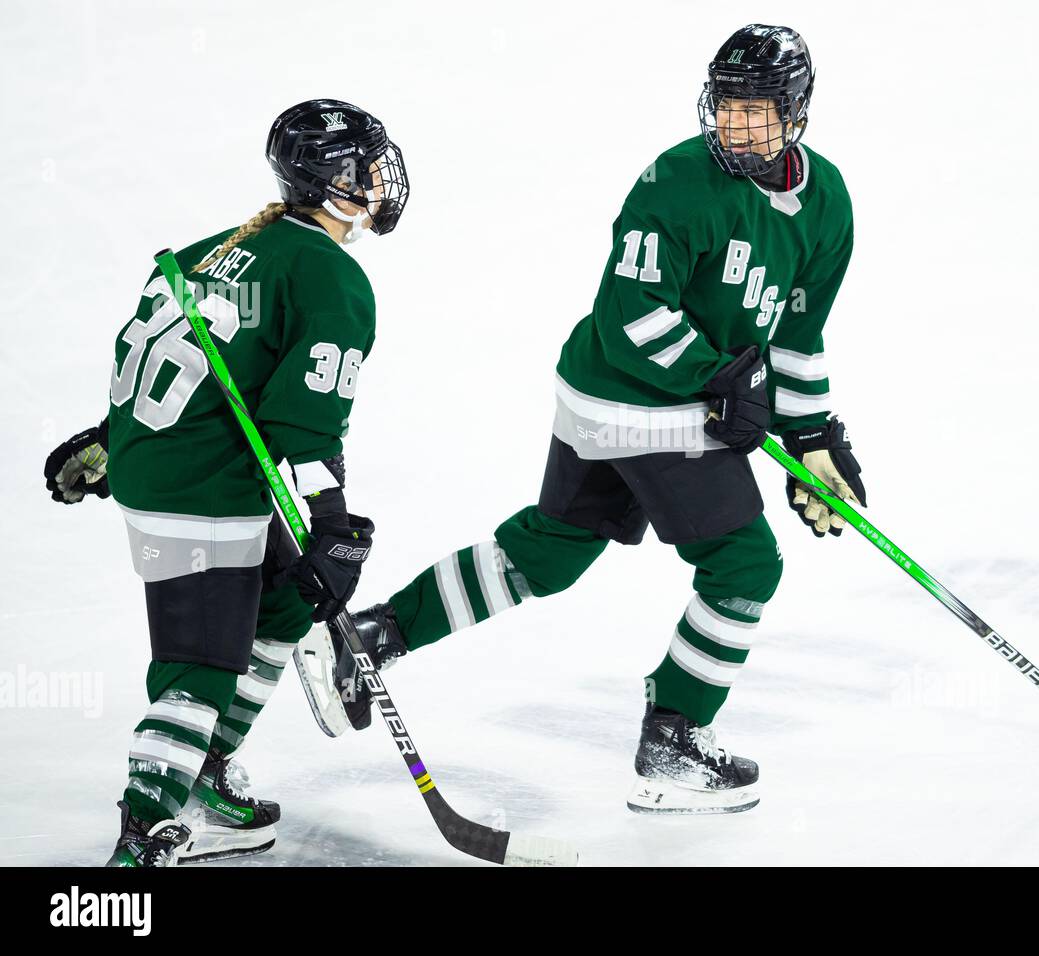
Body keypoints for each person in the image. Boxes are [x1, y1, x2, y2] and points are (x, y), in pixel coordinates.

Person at [312, 22, 864, 814]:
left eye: (759, 109)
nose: (739, 126)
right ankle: (674, 735)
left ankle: (375, 636)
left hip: (630, 401)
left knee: (550, 553)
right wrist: (718, 380)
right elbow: (630, 316)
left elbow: (799, 333)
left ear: (798, 109)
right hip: (638, 401)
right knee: (745, 564)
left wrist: (813, 435)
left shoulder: (828, 200)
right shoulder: (676, 183)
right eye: (729, 107)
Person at [43, 99, 409, 865]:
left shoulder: (222, 247)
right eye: (365, 163)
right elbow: (301, 426)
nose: (380, 175)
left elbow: (178, 358)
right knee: (200, 663)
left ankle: (204, 768)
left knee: (281, 603)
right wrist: (331, 521)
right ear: (334, 177)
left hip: (171, 459)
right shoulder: (331, 278)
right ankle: (146, 831)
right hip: (200, 489)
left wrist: (113, 440)